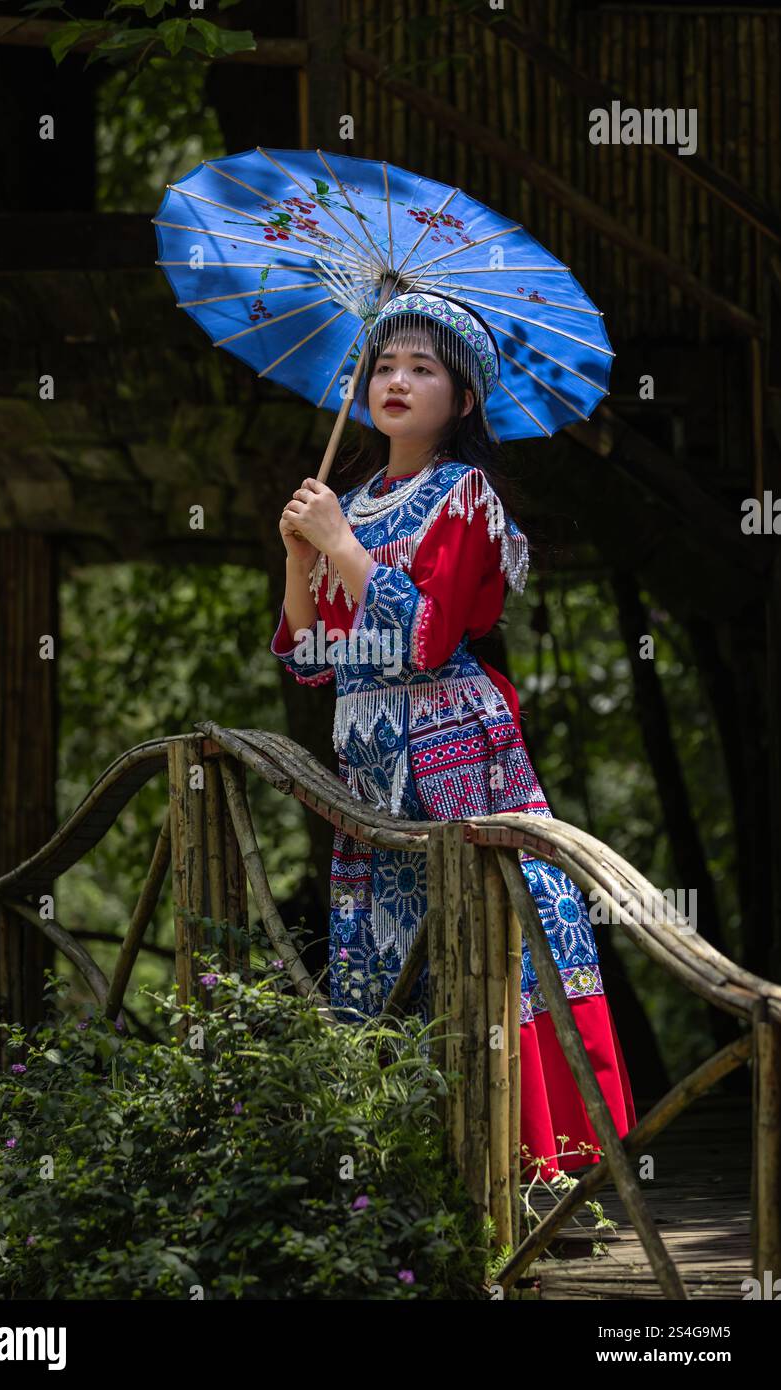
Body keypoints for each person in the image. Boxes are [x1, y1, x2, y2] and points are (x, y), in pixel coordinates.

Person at [270, 290, 635, 1177]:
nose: (396, 380)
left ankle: (539, 1166)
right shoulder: (346, 497)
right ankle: (414, 1167)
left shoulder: (463, 494)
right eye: (383, 365)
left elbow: (429, 641)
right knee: (389, 947)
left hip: (450, 744)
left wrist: (343, 548)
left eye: (422, 368)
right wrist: (298, 554)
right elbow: (311, 659)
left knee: (487, 930)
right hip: (367, 759)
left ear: (462, 399)